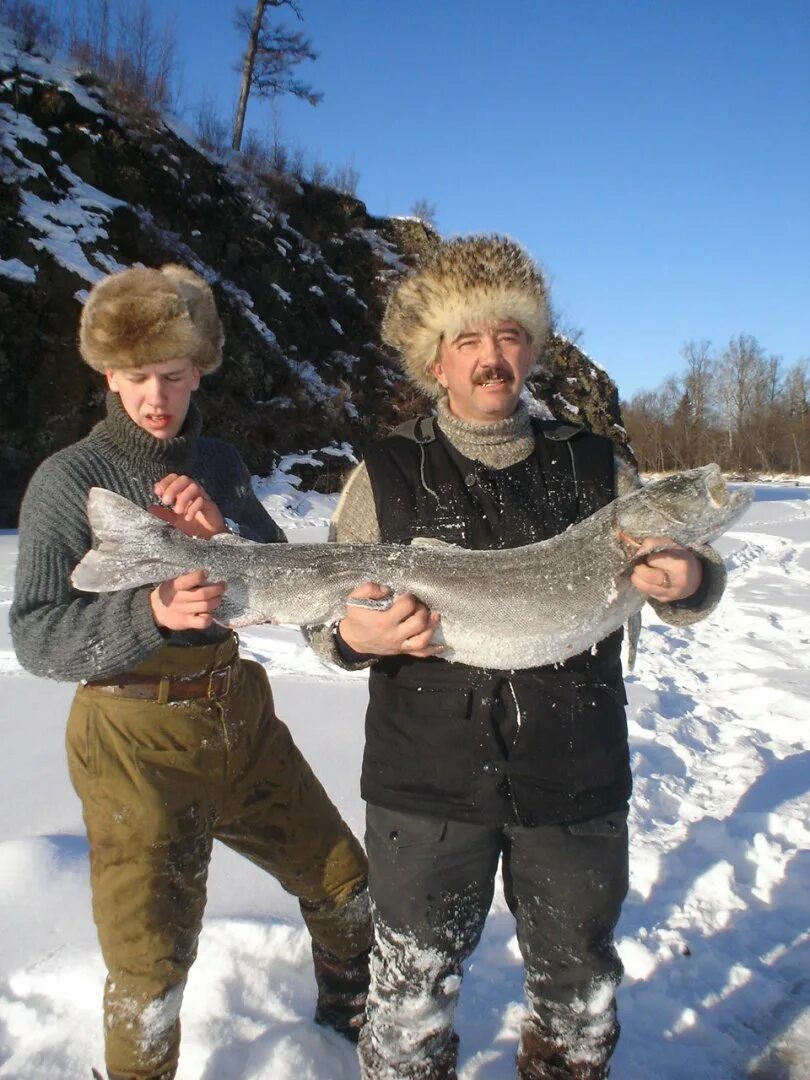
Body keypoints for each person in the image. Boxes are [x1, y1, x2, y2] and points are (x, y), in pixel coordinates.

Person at [310, 235, 727, 1079]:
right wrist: (353, 637)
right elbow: (327, 609)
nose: (491, 358)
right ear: (435, 361)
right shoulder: (385, 473)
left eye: (508, 336)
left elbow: (681, 577)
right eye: (468, 341)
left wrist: (687, 576)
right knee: (409, 1004)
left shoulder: (595, 462)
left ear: (534, 349)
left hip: (574, 780)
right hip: (424, 787)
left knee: (578, 998)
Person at [10, 264, 373, 1080]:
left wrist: (224, 534)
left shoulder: (218, 459)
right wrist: (150, 614)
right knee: (149, 973)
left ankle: (347, 1040)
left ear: (199, 371)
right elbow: (36, 637)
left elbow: (282, 579)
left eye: (173, 376)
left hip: (239, 717)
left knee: (347, 886)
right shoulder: (69, 481)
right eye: (137, 377)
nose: (155, 396)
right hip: (132, 741)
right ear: (108, 374)